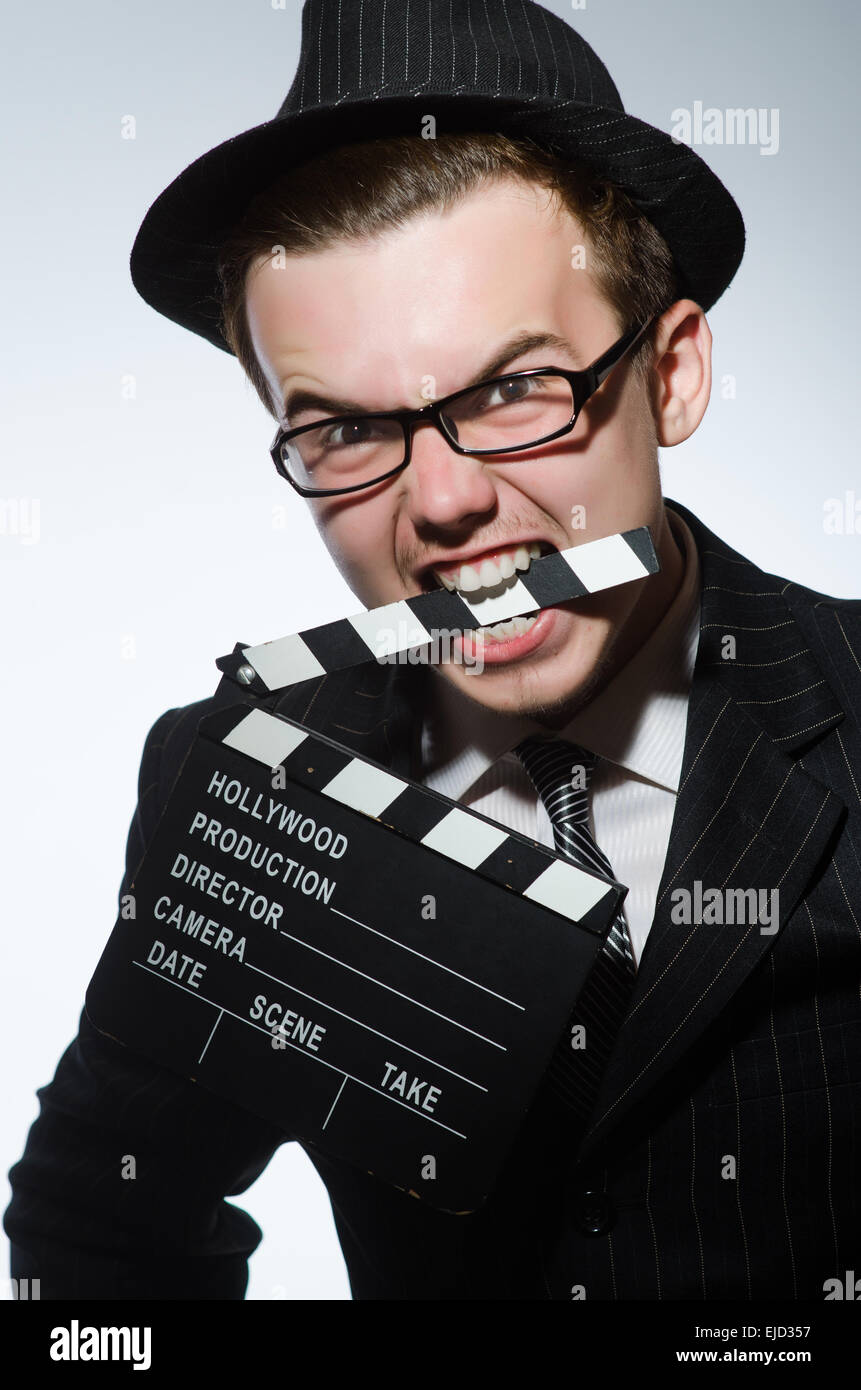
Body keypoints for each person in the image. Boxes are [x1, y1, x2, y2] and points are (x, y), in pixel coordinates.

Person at [5, 0, 860, 1301]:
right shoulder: (254, 773)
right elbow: (102, 1227)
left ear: (672, 373)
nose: (446, 501)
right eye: (346, 430)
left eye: (514, 388)